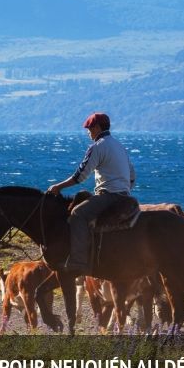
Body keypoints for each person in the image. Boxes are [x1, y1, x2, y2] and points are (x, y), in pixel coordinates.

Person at [46, 112, 137, 274]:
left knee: (77, 215)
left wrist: (58, 187)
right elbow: (132, 177)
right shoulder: (119, 146)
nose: (88, 132)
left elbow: (80, 176)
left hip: (109, 196)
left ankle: (78, 262)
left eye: (89, 128)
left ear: (97, 127)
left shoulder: (97, 147)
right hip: (125, 196)